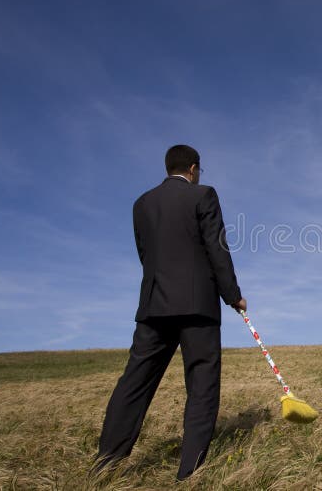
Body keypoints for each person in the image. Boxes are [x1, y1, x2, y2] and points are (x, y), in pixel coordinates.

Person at [93, 144, 247, 481]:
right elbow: (216, 249)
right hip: (198, 306)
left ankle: (106, 462)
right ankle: (189, 472)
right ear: (193, 169)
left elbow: (145, 254)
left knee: (134, 381)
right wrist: (233, 295)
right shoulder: (203, 195)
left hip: (154, 303)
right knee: (202, 382)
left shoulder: (142, 204)